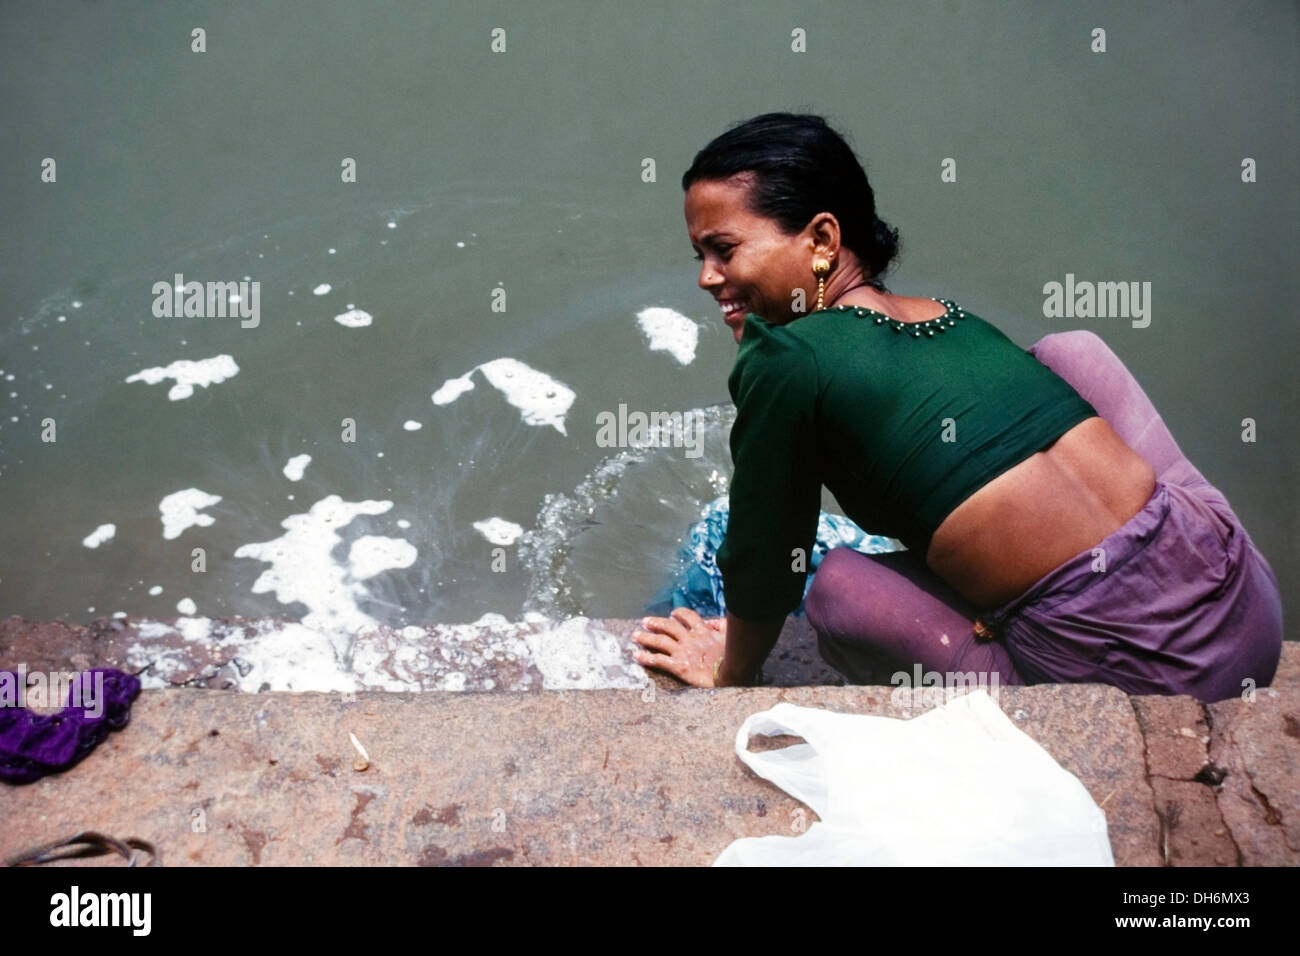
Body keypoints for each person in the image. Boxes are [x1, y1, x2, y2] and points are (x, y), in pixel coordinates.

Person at [632, 112, 1283, 703]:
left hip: (1146, 684)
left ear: (823, 239)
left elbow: (766, 557)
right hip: (1250, 612)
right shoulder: (953, 320)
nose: (706, 277)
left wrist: (732, 670)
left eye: (725, 250)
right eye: (700, 257)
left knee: (834, 587)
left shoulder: (785, 357)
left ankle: (1028, 652)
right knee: (1069, 350)